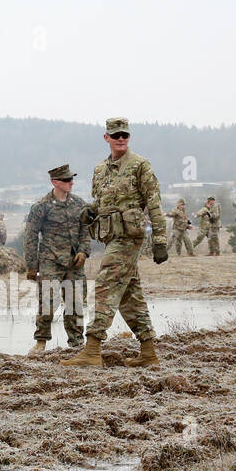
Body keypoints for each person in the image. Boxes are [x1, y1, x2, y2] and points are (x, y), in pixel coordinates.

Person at [61, 117, 167, 368]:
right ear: (107, 137)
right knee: (130, 295)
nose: (121, 139)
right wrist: (90, 211)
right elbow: (101, 201)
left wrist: (160, 240)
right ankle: (149, 352)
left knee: (105, 285)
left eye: (125, 135)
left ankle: (92, 349)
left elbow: (154, 204)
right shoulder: (100, 170)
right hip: (111, 237)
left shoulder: (140, 166)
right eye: (116, 135)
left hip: (129, 238)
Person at [22, 164, 89, 355]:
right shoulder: (41, 207)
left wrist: (83, 252)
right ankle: (41, 341)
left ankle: (76, 343)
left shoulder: (79, 204)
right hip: (50, 260)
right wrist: (31, 266)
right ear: (55, 182)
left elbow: (85, 231)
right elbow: (31, 237)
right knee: (48, 302)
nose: (71, 183)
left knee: (75, 303)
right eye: (67, 180)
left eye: (71, 179)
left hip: (74, 261)